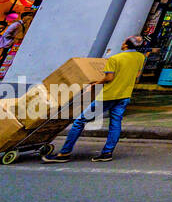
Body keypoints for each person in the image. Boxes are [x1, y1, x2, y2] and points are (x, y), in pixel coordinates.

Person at [42, 35, 148, 164]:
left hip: (107, 96)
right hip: (124, 95)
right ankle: (107, 153)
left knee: (79, 122)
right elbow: (137, 75)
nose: (122, 42)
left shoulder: (114, 59)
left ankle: (64, 153)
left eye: (124, 41)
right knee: (115, 124)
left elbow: (109, 78)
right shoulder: (140, 57)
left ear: (126, 45)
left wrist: (94, 84)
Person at [0, 11, 23, 78]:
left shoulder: (2, 37)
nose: (1, 29)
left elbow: (2, 47)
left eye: (2, 28)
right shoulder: (16, 25)